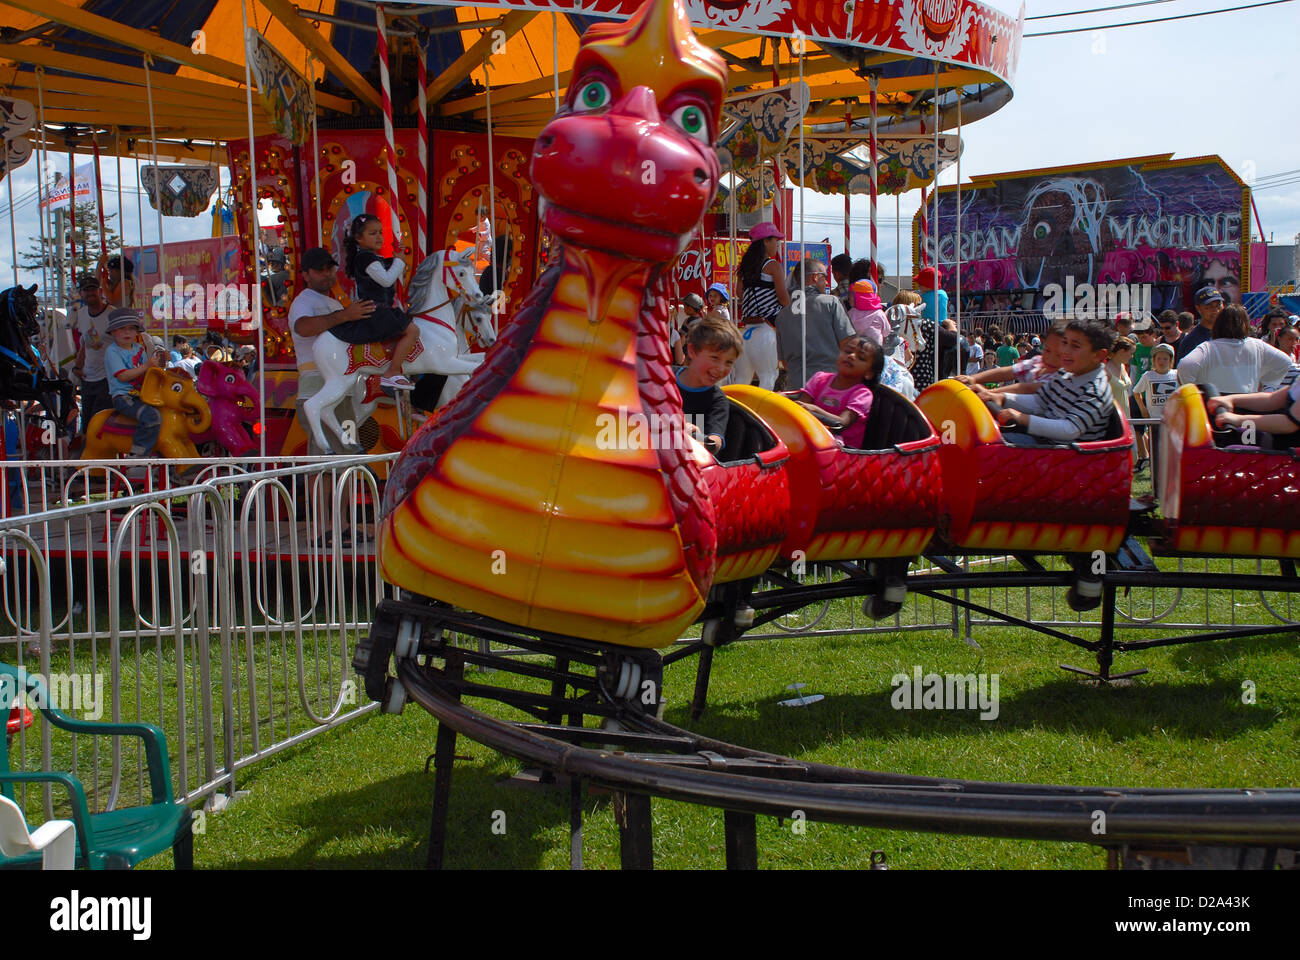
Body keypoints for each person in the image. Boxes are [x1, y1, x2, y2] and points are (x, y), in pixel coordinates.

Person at [288, 246, 376, 454]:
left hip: (342, 391)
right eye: (320, 270)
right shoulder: (303, 301)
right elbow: (304, 327)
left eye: (329, 269)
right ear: (306, 275)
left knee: (346, 457)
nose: (327, 274)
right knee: (323, 460)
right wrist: (345, 316)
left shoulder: (334, 303)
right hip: (317, 384)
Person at [980, 319, 1116, 446]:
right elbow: (1040, 400)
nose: (1065, 351)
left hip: (1066, 458)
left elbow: (1070, 429)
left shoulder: (1095, 391)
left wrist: (1023, 418)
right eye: (1065, 343)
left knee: (987, 448)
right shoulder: (1064, 374)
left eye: (1075, 346)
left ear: (1098, 355)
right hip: (1044, 446)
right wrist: (1002, 398)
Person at [331, 213, 419, 389]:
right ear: (358, 238)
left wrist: (397, 257)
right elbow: (386, 279)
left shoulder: (372, 258)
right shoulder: (365, 258)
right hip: (378, 312)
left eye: (380, 232)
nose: (379, 236)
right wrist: (400, 262)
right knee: (413, 332)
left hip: (383, 309)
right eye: (372, 233)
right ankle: (393, 371)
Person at [772, 257, 854, 389]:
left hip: (796, 389)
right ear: (815, 277)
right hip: (829, 387)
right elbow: (848, 343)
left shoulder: (782, 316)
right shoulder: (831, 303)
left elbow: (784, 362)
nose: (827, 282)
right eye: (825, 276)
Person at [786, 336, 881, 449]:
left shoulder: (862, 394)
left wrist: (815, 410)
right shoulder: (819, 378)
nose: (851, 356)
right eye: (848, 351)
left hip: (844, 451)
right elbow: (800, 407)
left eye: (860, 357)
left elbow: (841, 424)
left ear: (869, 374)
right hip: (812, 436)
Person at [1176, 304, 1293, 396]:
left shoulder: (1207, 347)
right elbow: (1285, 362)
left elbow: (1185, 365)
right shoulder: (1258, 345)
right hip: (1248, 408)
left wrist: (1194, 390)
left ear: (1218, 323)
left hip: (1216, 407)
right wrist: (1268, 385)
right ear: (1246, 324)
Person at [733, 223, 790, 389]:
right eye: (775, 240)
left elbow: (739, 294)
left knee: (742, 378)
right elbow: (783, 299)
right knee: (769, 376)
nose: (778, 243)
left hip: (746, 330)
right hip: (767, 326)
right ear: (766, 241)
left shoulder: (744, 268)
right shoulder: (773, 266)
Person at [103, 308, 163, 458]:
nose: (127, 332)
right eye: (122, 329)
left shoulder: (139, 349)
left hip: (142, 394)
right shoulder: (113, 351)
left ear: (137, 332)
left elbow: (147, 373)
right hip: (124, 397)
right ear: (113, 332)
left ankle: (159, 453)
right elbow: (123, 376)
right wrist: (147, 366)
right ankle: (138, 454)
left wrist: (161, 362)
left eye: (131, 329)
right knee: (151, 416)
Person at [676, 319, 741, 456]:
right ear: (692, 351)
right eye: (715, 358)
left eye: (728, 362)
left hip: (687, 465)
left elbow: (714, 442)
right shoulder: (663, 377)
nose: (721, 368)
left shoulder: (717, 401)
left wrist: (693, 436)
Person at [70, 272, 113, 427]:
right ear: (81, 293)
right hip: (88, 378)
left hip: (107, 379)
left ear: (100, 291)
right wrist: (77, 367)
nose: (90, 293)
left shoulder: (112, 314)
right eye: (86, 290)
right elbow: (84, 344)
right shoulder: (81, 315)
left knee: (99, 425)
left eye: (93, 289)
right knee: (87, 425)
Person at [1133, 343, 1178, 475]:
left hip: (1172, 420)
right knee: (1156, 450)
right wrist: (1143, 408)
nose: (1162, 362)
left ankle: (1171, 475)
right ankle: (1157, 477)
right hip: (1154, 420)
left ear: (1170, 360)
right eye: (1158, 358)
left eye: (1165, 359)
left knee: (1172, 450)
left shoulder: (1176, 375)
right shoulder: (1148, 376)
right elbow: (1136, 392)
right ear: (1154, 360)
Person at [1178, 285, 1222, 363]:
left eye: (1218, 306)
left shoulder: (1229, 333)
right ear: (1198, 308)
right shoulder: (1191, 341)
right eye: (1209, 307)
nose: (1215, 310)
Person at [847, 278, 890, 346]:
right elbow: (887, 332)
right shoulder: (879, 313)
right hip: (875, 350)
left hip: (857, 349)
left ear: (857, 297)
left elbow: (846, 332)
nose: (848, 299)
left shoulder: (851, 313)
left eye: (851, 296)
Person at [670, 293, 707, 366]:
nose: (683, 309)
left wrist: (678, 349)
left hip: (687, 351)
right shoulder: (701, 320)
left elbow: (682, 338)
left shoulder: (688, 322)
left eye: (684, 307)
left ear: (690, 308)